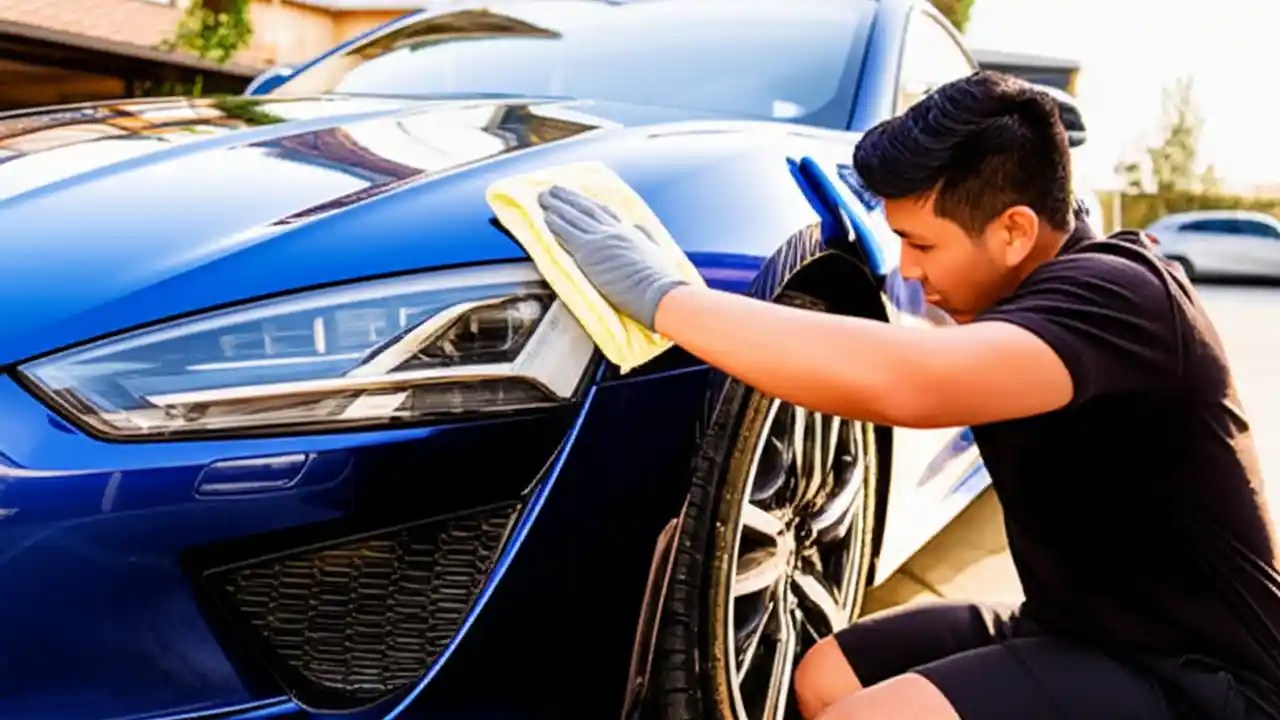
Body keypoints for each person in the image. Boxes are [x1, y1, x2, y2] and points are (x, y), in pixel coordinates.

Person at [536, 70, 1280, 719]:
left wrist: (664, 298)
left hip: (1199, 677)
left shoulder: (1123, 295)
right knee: (826, 680)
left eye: (922, 244)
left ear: (1015, 230)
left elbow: (911, 380)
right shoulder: (1038, 291)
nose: (908, 270)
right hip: (1075, 626)